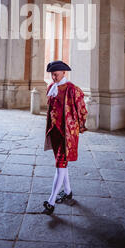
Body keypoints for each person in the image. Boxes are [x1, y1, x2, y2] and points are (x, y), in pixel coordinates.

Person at [42, 60, 88, 215]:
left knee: (60, 164)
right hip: (54, 131)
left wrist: (81, 125)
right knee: (61, 164)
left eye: (56, 74)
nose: (53, 77)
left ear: (63, 73)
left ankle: (51, 201)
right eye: (52, 74)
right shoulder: (51, 87)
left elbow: (82, 109)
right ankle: (68, 192)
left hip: (67, 133)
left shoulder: (72, 89)